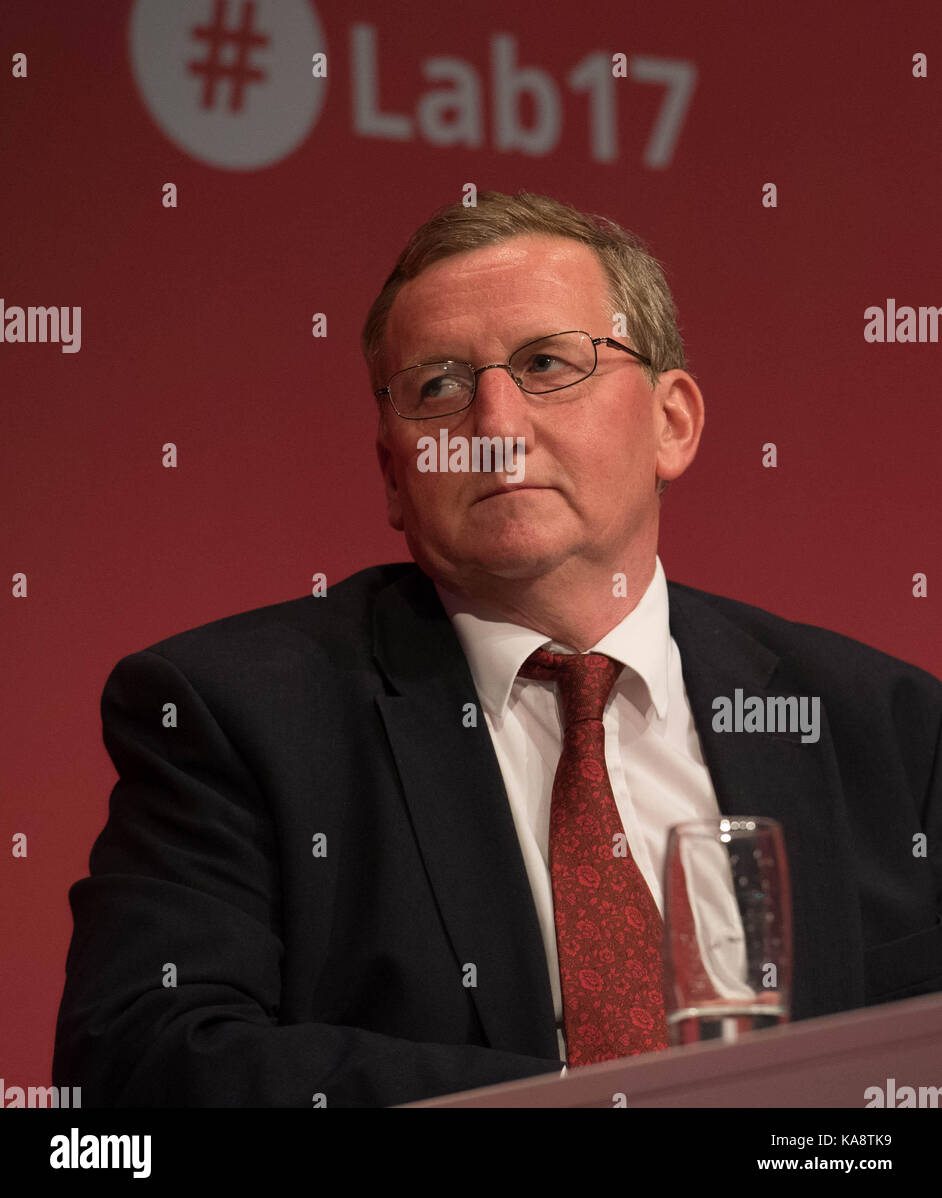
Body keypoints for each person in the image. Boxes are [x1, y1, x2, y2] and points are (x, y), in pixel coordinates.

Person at [53, 191, 942, 1108]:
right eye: (439, 386)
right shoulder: (235, 717)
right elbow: (143, 1062)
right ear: (396, 476)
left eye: (548, 363)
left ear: (672, 423)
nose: (496, 429)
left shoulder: (887, 727)